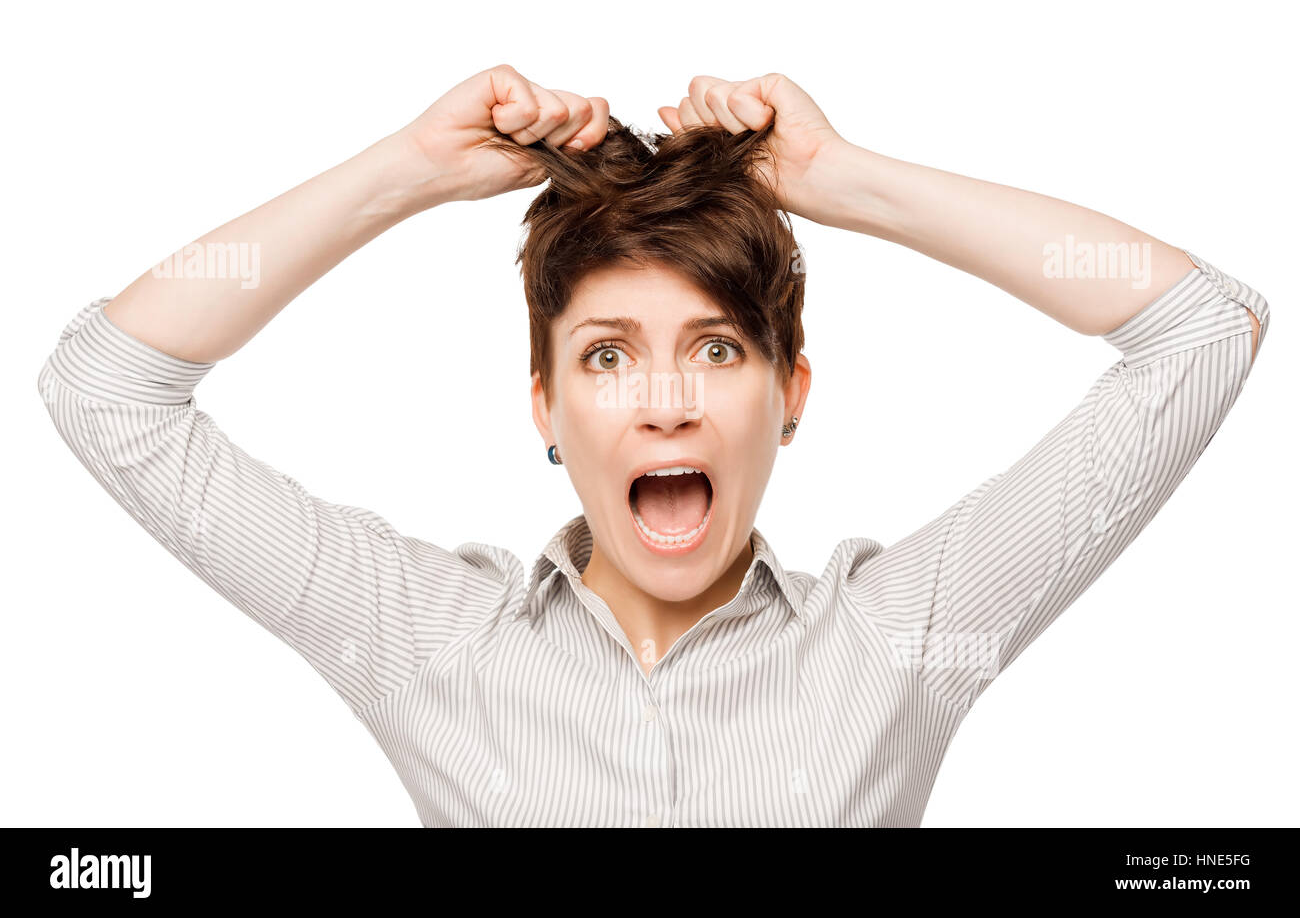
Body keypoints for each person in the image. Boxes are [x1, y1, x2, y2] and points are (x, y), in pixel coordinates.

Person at [36, 65, 1268, 827]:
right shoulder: (423, 637)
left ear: (791, 393)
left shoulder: (894, 640)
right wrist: (405, 174)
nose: (665, 404)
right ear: (546, 409)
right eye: (608, 356)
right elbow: (106, 388)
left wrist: (845, 179)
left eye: (719, 350)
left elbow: (1201, 331)